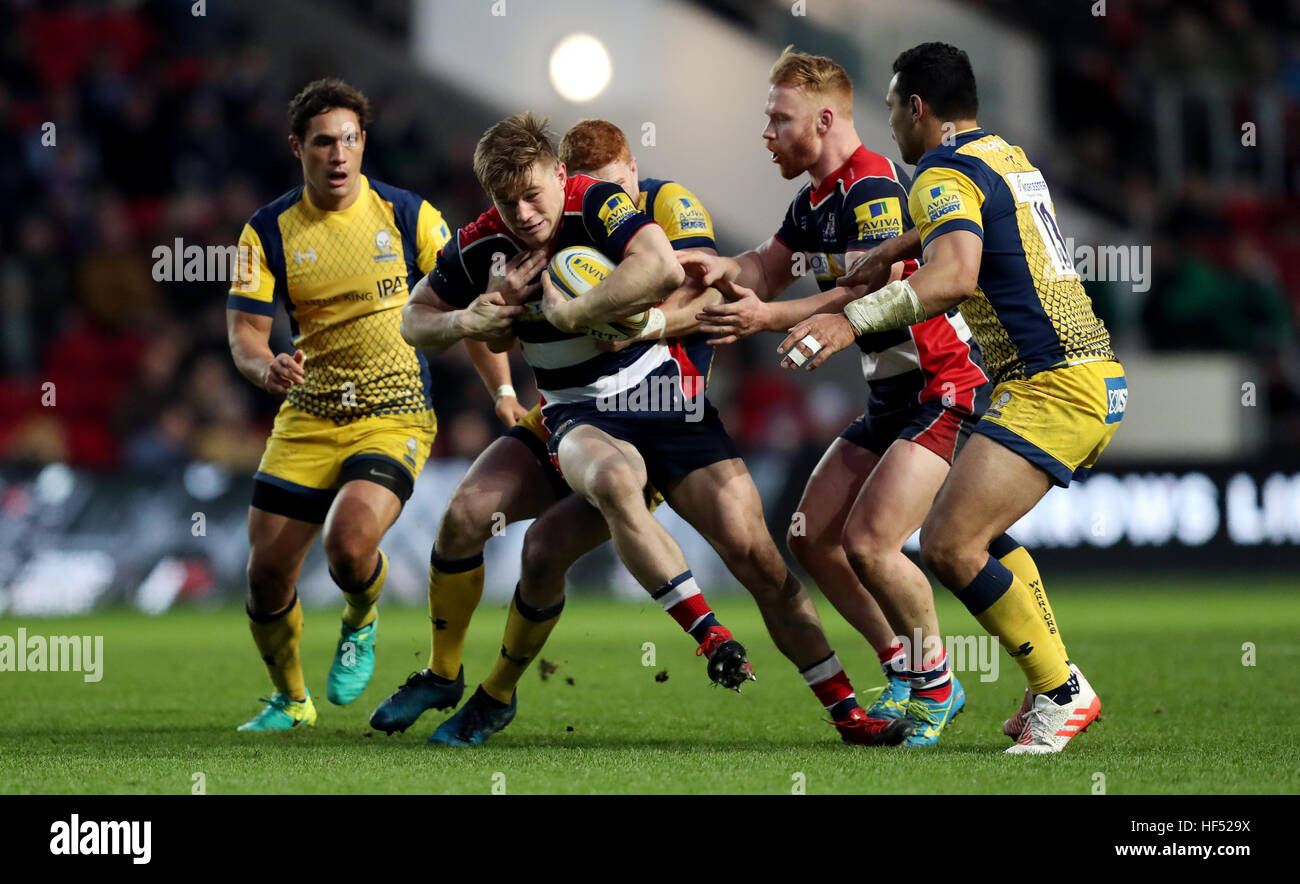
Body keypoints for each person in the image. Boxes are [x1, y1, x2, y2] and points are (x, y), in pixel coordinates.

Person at [388, 113, 903, 747]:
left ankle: (851, 711)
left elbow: (666, 273)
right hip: (577, 411)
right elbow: (415, 320)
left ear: (560, 176)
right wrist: (468, 320)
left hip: (669, 401)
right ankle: (457, 677)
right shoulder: (483, 242)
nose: (522, 214)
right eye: (507, 202)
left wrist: (577, 311)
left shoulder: (611, 204)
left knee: (758, 560)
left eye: (532, 195)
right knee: (489, 513)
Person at [782, 42, 1124, 754]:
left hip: (1051, 384)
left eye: (892, 110)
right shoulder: (1005, 155)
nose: (892, 128)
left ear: (917, 108)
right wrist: (893, 247)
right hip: (1084, 375)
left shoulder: (938, 169)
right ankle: (1045, 685)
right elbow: (981, 223)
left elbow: (956, 276)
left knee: (946, 544)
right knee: (983, 536)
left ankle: (1063, 691)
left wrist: (851, 319)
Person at [681, 47, 992, 746]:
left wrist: (770, 317)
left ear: (824, 119)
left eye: (778, 119)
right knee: (812, 539)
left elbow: (871, 291)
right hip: (890, 395)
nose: (766, 133)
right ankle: (904, 669)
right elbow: (767, 265)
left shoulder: (873, 186)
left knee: (870, 544)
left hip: (940, 383)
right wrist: (716, 267)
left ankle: (938, 686)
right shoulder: (816, 200)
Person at [225, 77, 505, 730]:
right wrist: (265, 365)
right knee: (266, 578)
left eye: (349, 139)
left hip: (394, 412)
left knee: (349, 547)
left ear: (364, 143)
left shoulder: (410, 216)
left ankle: (360, 617)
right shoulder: (264, 232)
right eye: (324, 142)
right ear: (298, 148)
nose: (338, 154)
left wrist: (504, 393)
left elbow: (469, 307)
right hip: (307, 417)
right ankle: (292, 702)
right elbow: (243, 335)